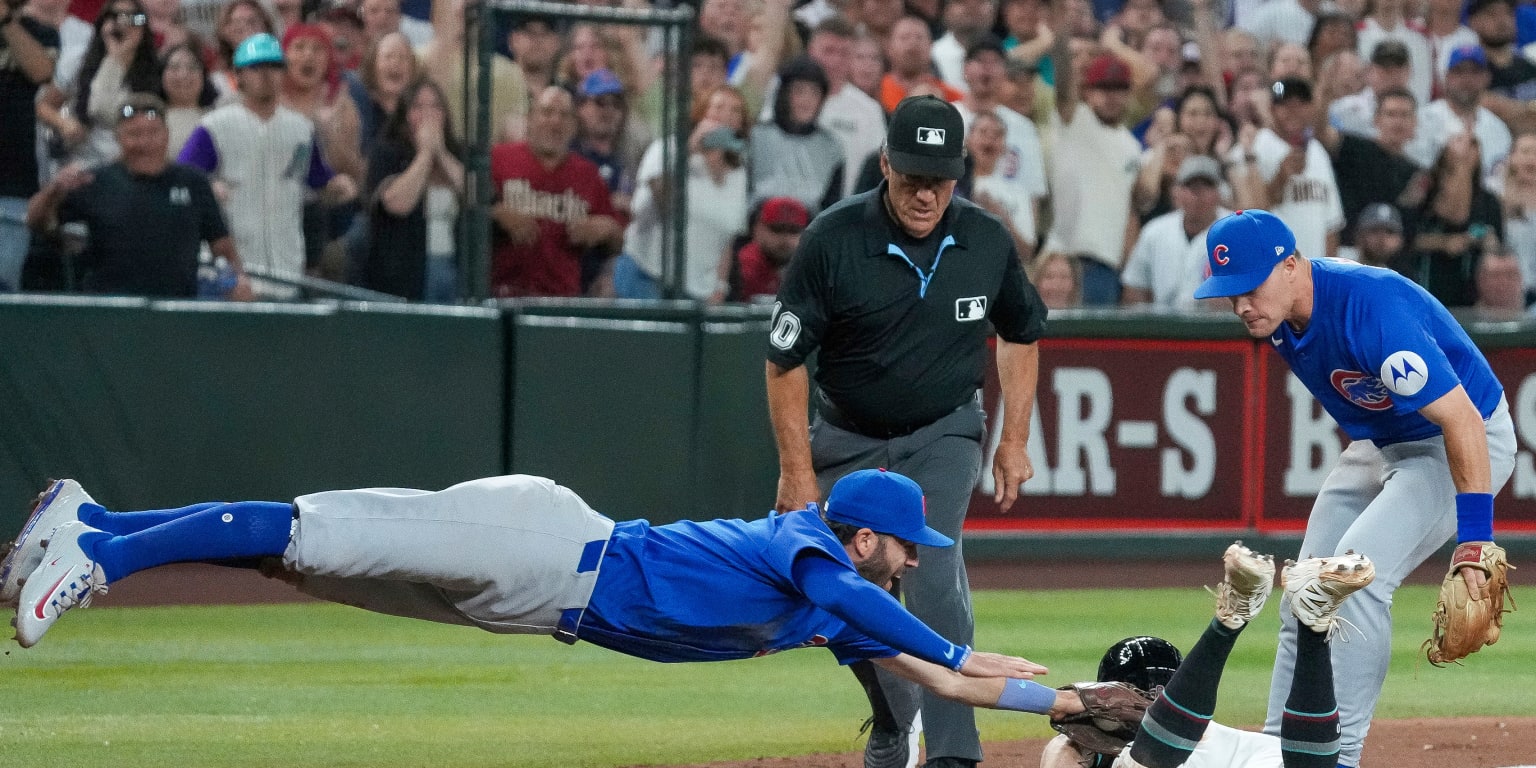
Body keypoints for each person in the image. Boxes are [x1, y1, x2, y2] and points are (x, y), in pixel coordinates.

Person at [1, 471, 1091, 738]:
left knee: (309, 566)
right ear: (866, 532)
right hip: (547, 546)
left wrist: (1071, 707)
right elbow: (913, 630)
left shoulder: (844, 594)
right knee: (316, 530)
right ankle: (99, 551)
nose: (916, 559)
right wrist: (961, 642)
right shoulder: (808, 548)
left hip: (535, 604)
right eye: (910, 545)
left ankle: (90, 523)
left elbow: (941, 679)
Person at [765, 95, 1048, 768]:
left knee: (931, 574)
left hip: (944, 432)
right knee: (835, 583)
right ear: (885, 163)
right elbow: (783, 362)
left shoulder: (984, 239)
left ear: (960, 174)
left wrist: (1012, 440)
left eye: (940, 178)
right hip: (846, 435)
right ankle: (895, 720)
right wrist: (798, 469)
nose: (926, 193)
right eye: (913, 174)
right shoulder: (833, 240)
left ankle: (955, 752)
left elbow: (1021, 333)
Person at [1191, 209, 1516, 768]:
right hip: (1386, 444)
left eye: (1250, 286)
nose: (1241, 304)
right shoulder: (1280, 315)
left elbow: (1460, 419)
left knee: (1355, 579)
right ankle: (1279, 749)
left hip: (1461, 438)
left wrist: (1474, 542)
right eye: (1230, 292)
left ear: (1291, 265)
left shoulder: (1369, 308)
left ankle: (1341, 755)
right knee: (1303, 590)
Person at [1040, 543, 1378, 768]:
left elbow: (1057, 754)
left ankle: (1231, 621)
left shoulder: (1097, 750)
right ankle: (1312, 627)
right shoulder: (1245, 744)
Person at [178, 33, 358, 293]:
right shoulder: (215, 126)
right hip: (233, 272)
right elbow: (183, 178)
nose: (265, 74)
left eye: (274, 66)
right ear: (238, 75)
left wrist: (338, 185)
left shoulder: (301, 129)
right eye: (255, 67)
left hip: (287, 265)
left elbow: (318, 180)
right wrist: (208, 186)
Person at [25, 93, 251, 299]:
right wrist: (54, 189)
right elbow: (35, 222)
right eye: (134, 134)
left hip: (176, 313)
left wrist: (237, 281)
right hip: (110, 312)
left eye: (153, 133)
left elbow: (222, 246)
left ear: (166, 135)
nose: (144, 143)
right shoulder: (94, 181)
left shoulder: (194, 183)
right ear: (118, 138)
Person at [1043, 7, 1142, 305]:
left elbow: (1131, 213)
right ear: (1088, 91)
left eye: (1119, 88)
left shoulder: (1131, 144)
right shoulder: (1074, 119)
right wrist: (1061, 31)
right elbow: (1062, 82)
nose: (1111, 95)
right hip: (1064, 263)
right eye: (1103, 88)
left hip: (1109, 268)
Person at [489, 85, 622, 298]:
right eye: (547, 112)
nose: (555, 122)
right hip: (503, 294)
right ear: (530, 119)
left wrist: (605, 229)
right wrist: (497, 213)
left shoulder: (587, 173)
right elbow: (468, 209)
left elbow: (618, 239)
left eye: (564, 115)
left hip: (563, 300)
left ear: (574, 126)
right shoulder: (498, 159)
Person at [359, 77, 464, 302]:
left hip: (455, 268)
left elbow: (478, 197)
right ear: (405, 115)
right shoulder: (387, 153)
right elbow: (397, 204)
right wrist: (425, 154)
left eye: (435, 106)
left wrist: (442, 154)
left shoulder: (460, 154)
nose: (428, 114)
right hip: (405, 271)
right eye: (418, 107)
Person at [1227, 78, 1344, 261]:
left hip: (1312, 273)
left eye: (1301, 104)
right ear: (1272, 109)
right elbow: (1248, 216)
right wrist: (1281, 178)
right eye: (1286, 104)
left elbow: (1331, 224)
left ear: (1311, 108)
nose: (1294, 111)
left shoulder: (1318, 151)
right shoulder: (1251, 147)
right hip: (1270, 269)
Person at [0, 0, 58, 292]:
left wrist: (6, 21)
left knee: (5, 293)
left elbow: (41, 72)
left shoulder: (40, 32)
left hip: (11, 184)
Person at [1121, 156, 1231, 310]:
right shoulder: (1155, 231)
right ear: (1176, 192)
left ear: (1219, 192)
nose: (1197, 194)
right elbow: (1134, 289)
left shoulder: (1237, 232)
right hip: (1164, 327)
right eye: (1190, 186)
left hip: (1219, 329)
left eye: (1206, 186)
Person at [749, 56, 843, 215]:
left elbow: (830, 207)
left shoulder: (831, 147)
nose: (807, 100)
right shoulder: (757, 137)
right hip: (760, 224)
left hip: (807, 229)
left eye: (814, 93)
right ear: (784, 94)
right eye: (799, 91)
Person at [729, 195, 806, 302]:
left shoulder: (807, 267)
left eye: (794, 231)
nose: (785, 238)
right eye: (777, 229)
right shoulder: (741, 266)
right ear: (757, 229)